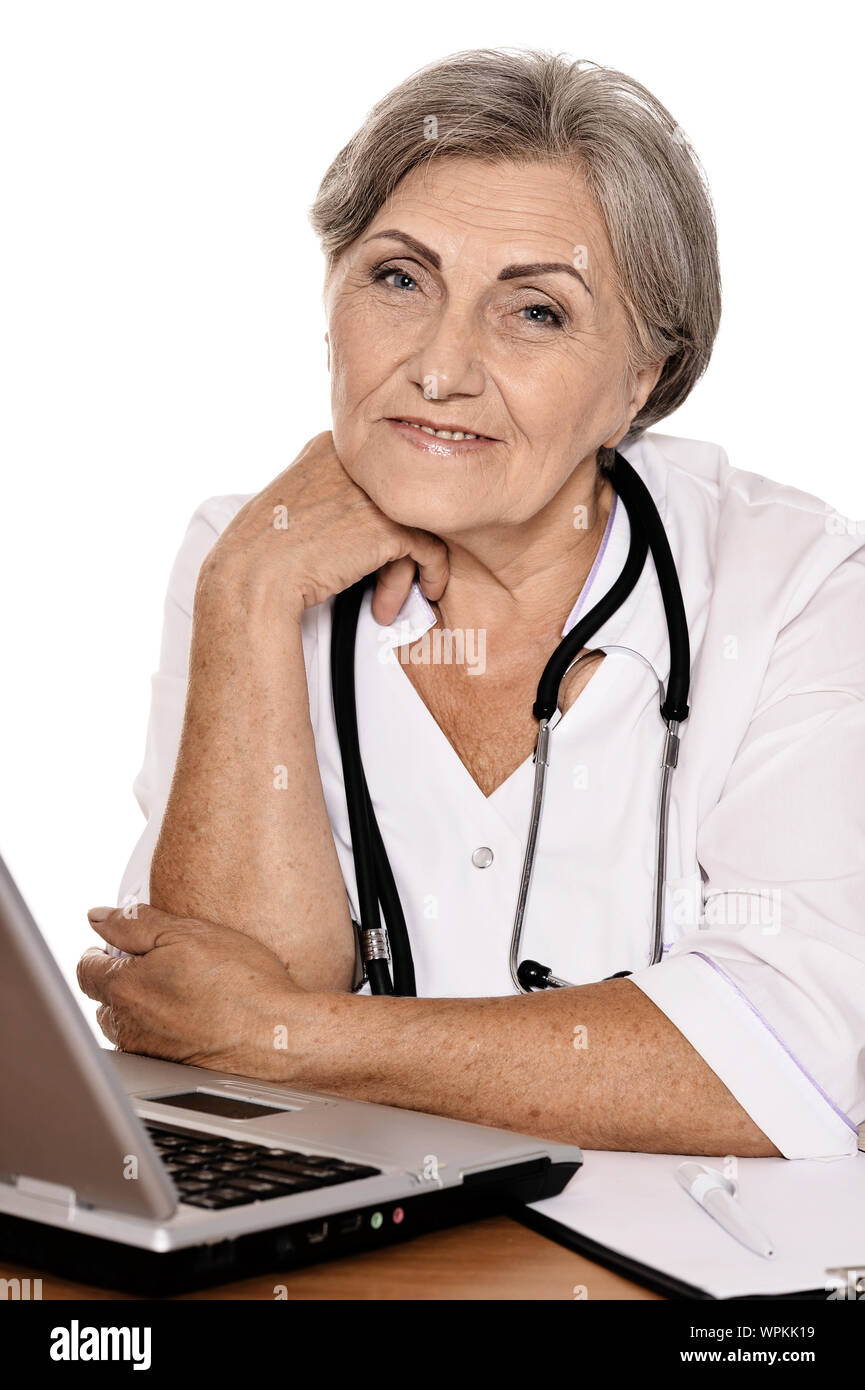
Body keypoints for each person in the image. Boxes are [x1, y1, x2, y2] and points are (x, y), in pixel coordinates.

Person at [78, 48, 865, 1161]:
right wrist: (251, 597)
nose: (440, 367)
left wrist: (293, 1034)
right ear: (329, 297)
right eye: (398, 278)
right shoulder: (247, 556)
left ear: (643, 377)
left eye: (535, 311)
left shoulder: (793, 584)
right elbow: (207, 1059)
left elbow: (789, 1067)